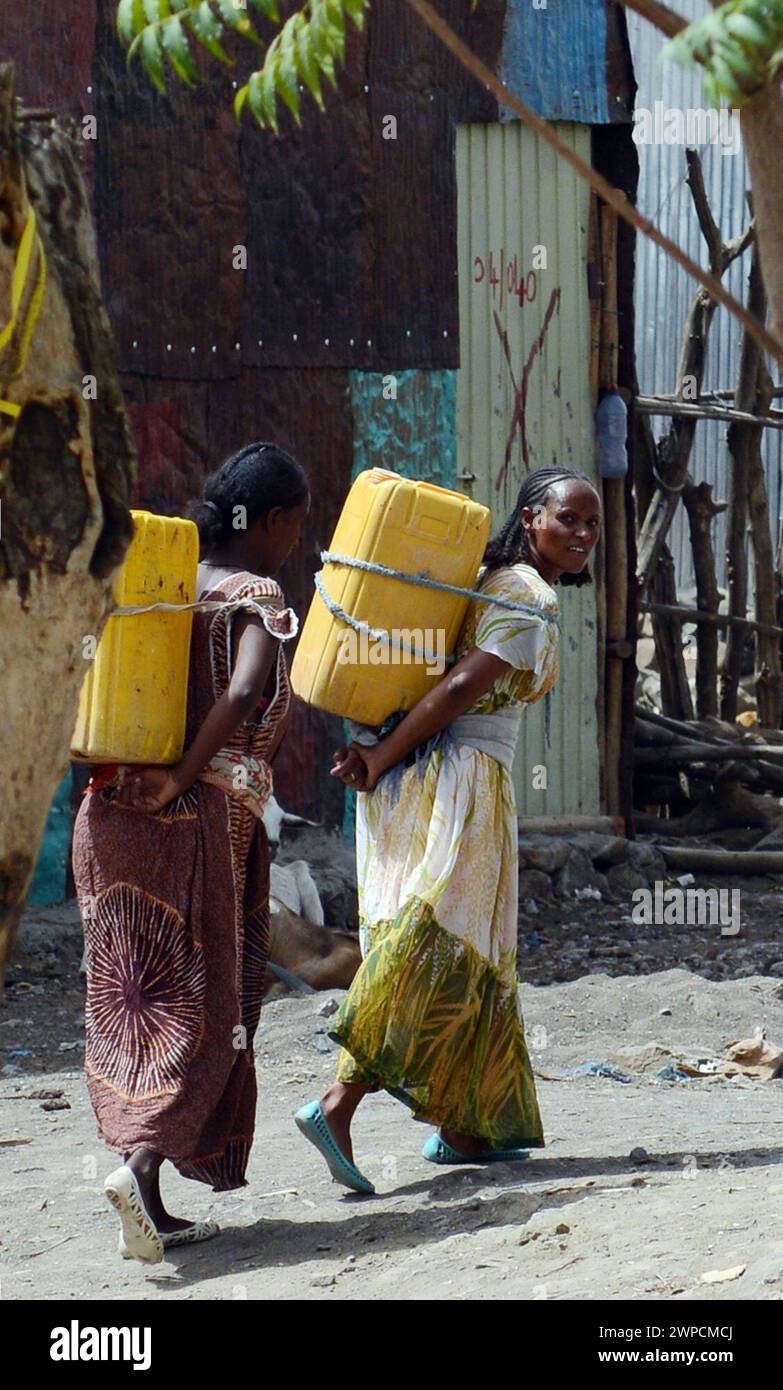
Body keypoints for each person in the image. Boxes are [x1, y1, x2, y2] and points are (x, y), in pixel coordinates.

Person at [295, 467, 601, 1192]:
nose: (583, 535)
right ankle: (335, 1106)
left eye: (591, 525)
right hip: (463, 780)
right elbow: (461, 686)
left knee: (474, 944)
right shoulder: (526, 594)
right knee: (441, 944)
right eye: (569, 519)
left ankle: (468, 1126)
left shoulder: (484, 582)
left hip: (431, 773)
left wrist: (381, 755)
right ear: (530, 519)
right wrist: (379, 755)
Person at [73, 442, 309, 1261]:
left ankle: (149, 1193)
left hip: (110, 816)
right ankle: (139, 1169)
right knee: (209, 1008)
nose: (295, 544)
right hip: (197, 818)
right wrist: (180, 780)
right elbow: (246, 688)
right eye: (296, 527)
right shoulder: (256, 593)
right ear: (274, 520)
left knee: (140, 999)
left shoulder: (167, 588)